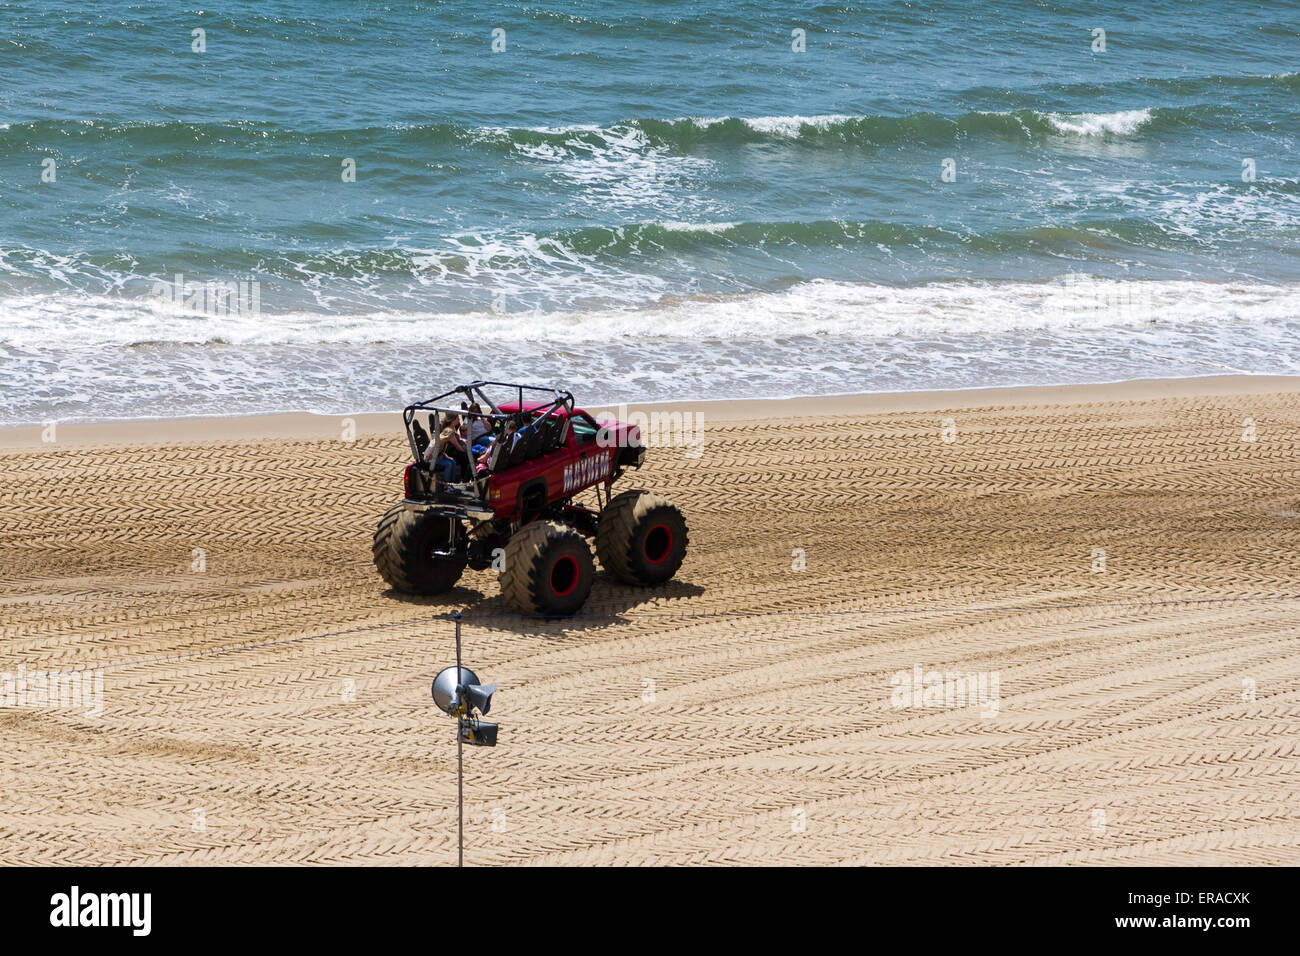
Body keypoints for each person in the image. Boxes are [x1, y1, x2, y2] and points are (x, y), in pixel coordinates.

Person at [424, 413, 467, 484]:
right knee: (448, 464)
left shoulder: (445, 442)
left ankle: (452, 482)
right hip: (431, 460)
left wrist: (447, 457)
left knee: (453, 462)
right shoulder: (438, 442)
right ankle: (446, 484)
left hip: (438, 457)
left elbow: (442, 452)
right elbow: (430, 454)